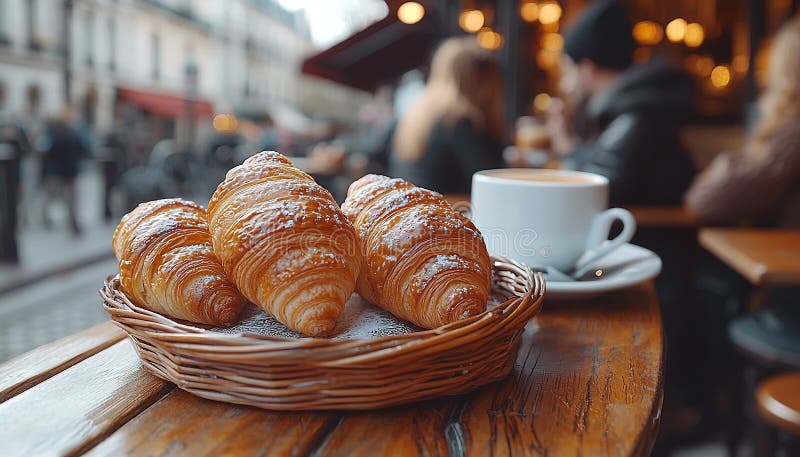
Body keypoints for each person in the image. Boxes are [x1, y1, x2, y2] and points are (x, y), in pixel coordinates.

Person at [549, 0, 696, 206]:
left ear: (588, 69)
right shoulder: (630, 107)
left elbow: (598, 192)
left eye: (567, 71)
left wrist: (568, 150)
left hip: (649, 235)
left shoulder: (636, 116)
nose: (565, 85)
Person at [390, 37, 505, 194]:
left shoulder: (418, 112)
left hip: (413, 209)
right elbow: (491, 182)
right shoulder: (459, 120)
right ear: (479, 80)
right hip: (447, 210)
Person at [39, 114, 88, 235]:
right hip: (70, 172)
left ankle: (46, 219)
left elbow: (47, 154)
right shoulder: (74, 135)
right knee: (71, 200)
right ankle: (72, 223)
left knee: (51, 197)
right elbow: (84, 150)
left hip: (56, 172)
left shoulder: (54, 136)